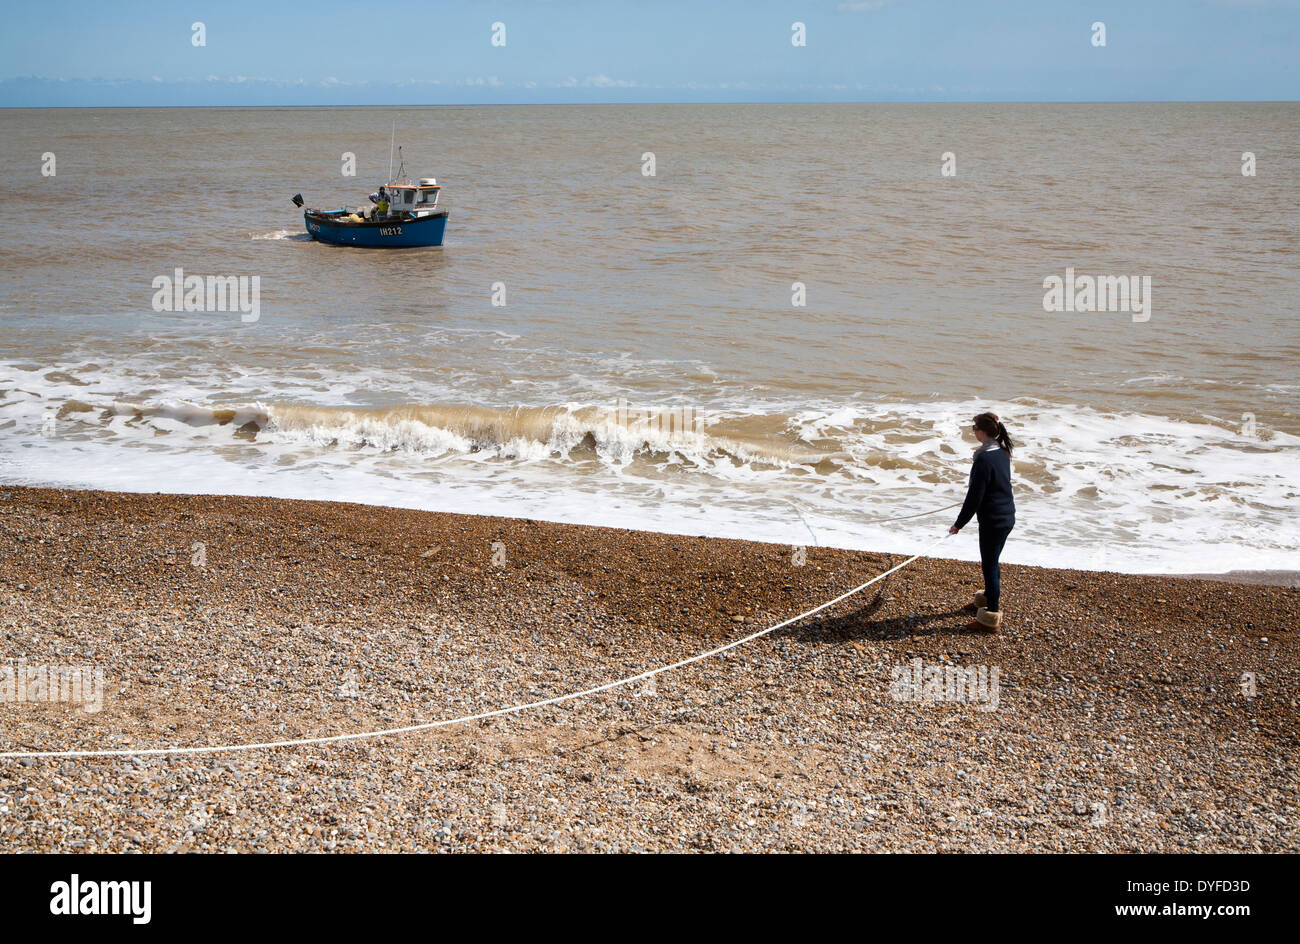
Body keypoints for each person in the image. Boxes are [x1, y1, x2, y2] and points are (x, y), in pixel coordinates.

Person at [948, 412, 1016, 631]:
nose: (973, 431)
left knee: (990, 564)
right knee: (992, 560)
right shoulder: (1002, 452)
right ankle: (986, 598)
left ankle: (990, 617)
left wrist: (959, 524)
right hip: (1006, 515)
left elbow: (974, 498)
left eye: (973, 428)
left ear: (981, 430)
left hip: (994, 520)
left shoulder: (985, 458)